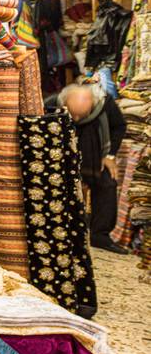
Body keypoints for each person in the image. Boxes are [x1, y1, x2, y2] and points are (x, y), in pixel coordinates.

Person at [58, 80, 128, 254]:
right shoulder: (55, 103)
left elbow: (119, 127)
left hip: (97, 152)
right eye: (73, 115)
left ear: (92, 104)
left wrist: (110, 155)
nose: (76, 119)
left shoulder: (106, 103)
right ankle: (65, 232)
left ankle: (100, 236)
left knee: (107, 185)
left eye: (81, 115)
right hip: (68, 151)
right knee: (64, 189)